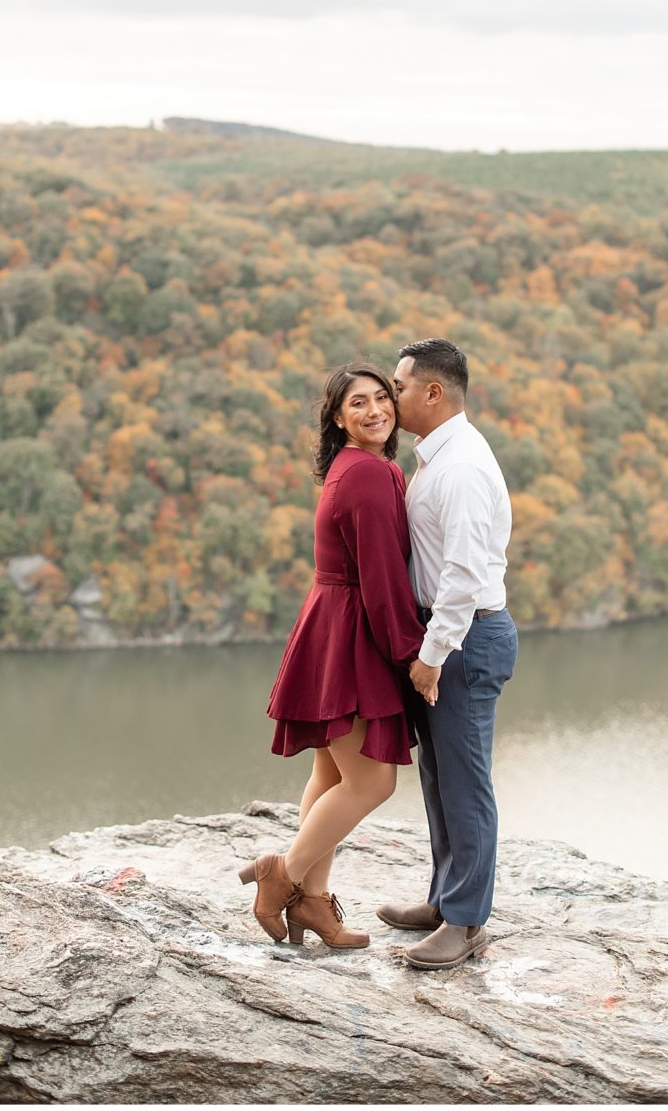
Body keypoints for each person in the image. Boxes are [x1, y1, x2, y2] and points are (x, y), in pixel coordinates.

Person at [239, 362, 426, 949]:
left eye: (381, 398)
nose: (374, 411)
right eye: (357, 405)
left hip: (332, 628)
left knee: (330, 772)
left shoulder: (360, 468)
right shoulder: (369, 476)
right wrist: (412, 655)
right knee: (373, 784)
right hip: (351, 635)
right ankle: (282, 877)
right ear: (338, 419)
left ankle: (315, 907)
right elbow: (382, 579)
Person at [378, 337, 518, 970]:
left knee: (465, 785)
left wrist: (433, 654)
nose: (391, 395)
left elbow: (462, 573)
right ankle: (444, 900)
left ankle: (466, 924)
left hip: (463, 637)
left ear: (433, 392)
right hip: (449, 633)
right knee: (438, 778)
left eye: (400, 386)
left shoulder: (458, 467)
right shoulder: (440, 455)